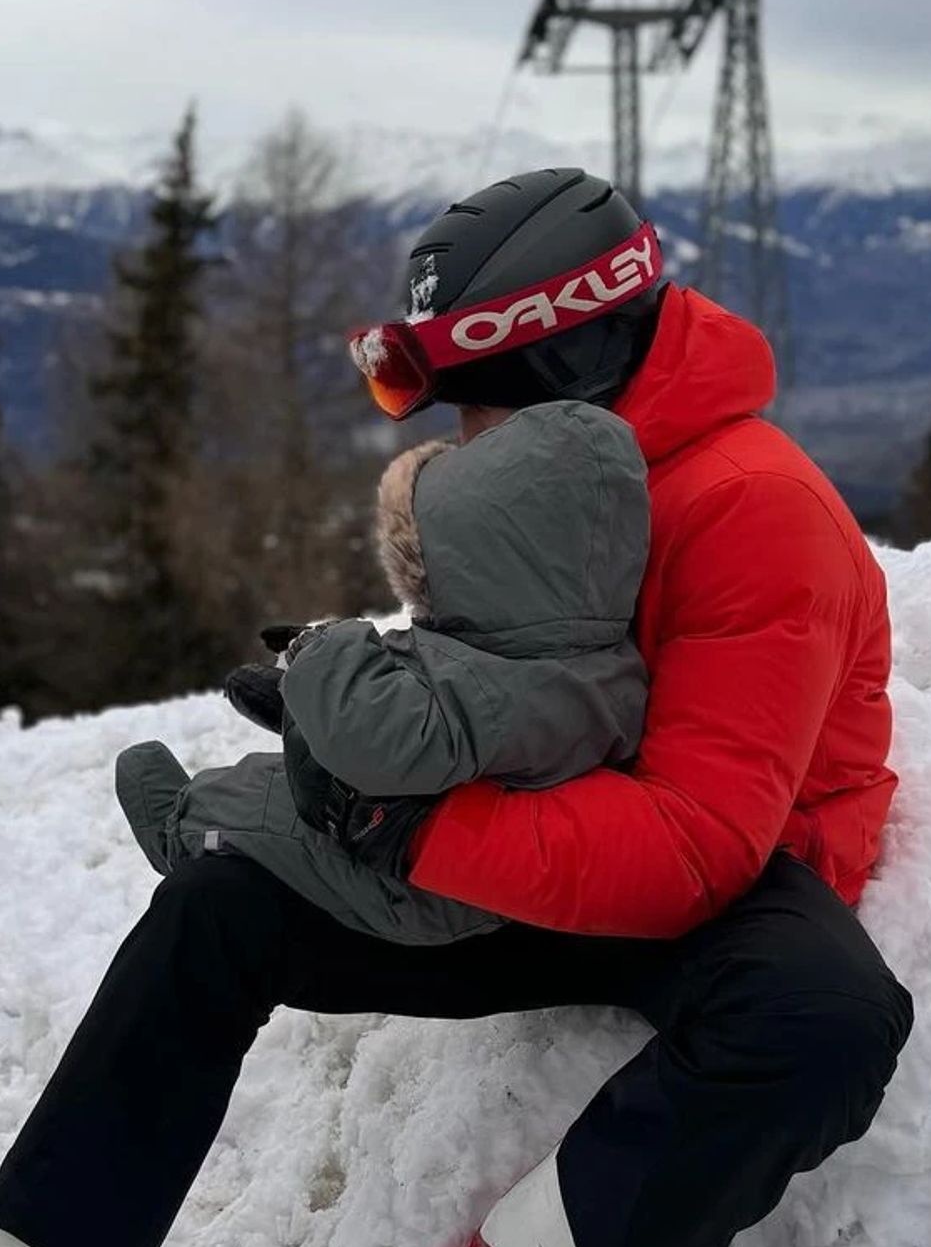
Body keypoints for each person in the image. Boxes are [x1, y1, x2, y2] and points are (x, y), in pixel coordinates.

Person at [0, 166, 914, 1247]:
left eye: (477, 399)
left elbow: (698, 847)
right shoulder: (555, 470)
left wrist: (421, 825)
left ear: (572, 362)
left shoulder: (754, 508)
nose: (460, 435)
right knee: (223, 904)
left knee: (827, 1016)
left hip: (719, 868)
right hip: (561, 812)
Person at [113, 394, 650, 949]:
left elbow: (387, 737)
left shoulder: (493, 690)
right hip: (474, 817)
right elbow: (436, 684)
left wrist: (322, 649)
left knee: (267, 801)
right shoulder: (602, 661)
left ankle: (181, 824)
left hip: (426, 888)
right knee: (338, 747)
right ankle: (309, 724)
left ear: (487, 556)